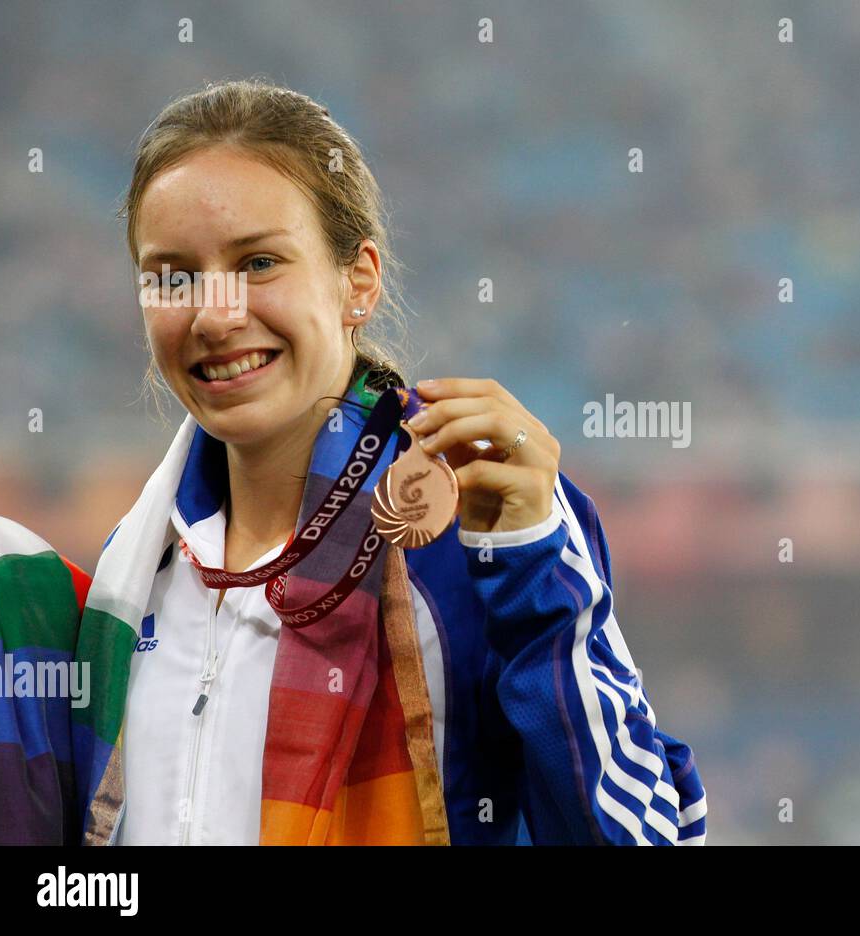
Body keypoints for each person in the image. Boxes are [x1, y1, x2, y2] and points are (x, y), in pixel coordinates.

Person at [65, 78, 705, 845]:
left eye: (260, 262)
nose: (215, 314)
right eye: (174, 276)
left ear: (357, 279)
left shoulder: (479, 517)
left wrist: (531, 562)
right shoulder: (134, 568)